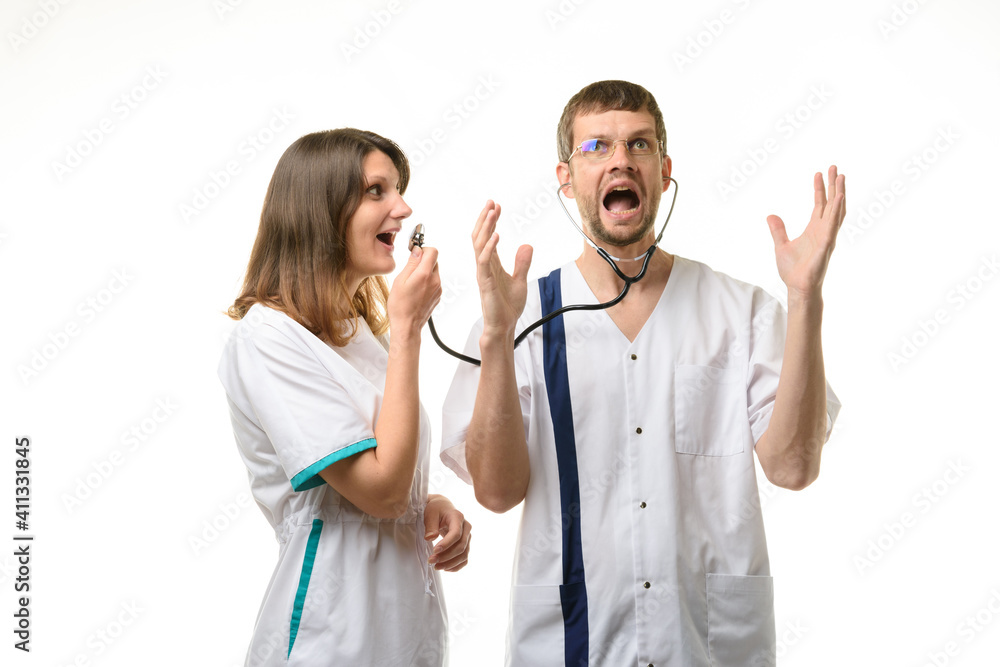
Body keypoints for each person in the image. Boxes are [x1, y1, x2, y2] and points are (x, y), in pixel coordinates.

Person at [440, 80, 843, 666]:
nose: (620, 159)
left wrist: (805, 297)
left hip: (705, 645)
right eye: (596, 147)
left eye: (639, 145)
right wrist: (497, 338)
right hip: (570, 643)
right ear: (565, 178)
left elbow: (794, 467)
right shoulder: (521, 315)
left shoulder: (742, 311)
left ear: (663, 169)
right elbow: (496, 492)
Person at [218, 128, 471, 667]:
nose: (402, 208)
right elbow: (378, 493)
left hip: (405, 634)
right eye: (377, 191)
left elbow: (390, 483)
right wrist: (407, 329)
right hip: (330, 638)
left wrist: (428, 506)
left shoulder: (359, 333)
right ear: (321, 211)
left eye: (398, 190)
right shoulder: (269, 337)